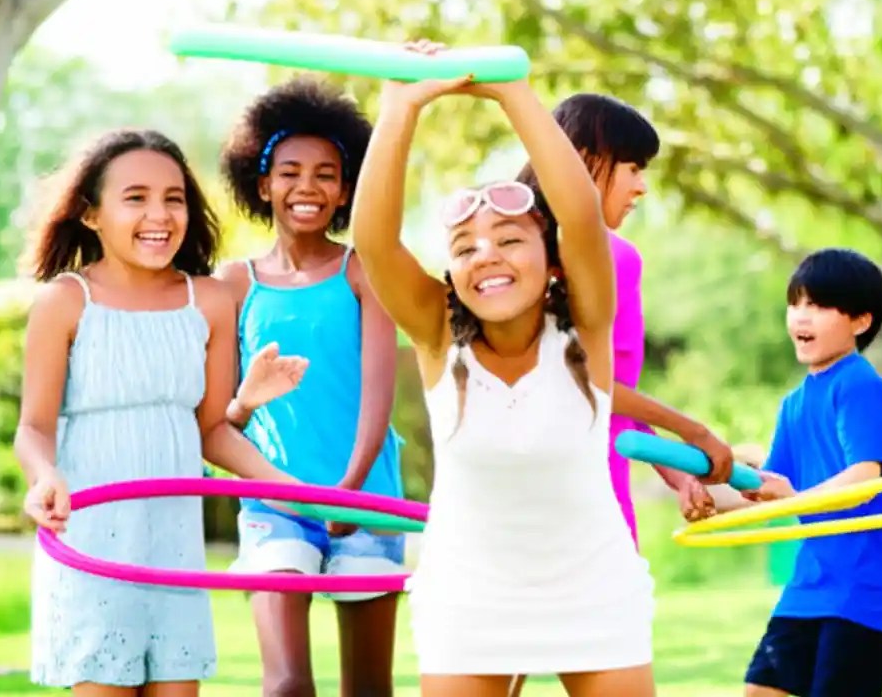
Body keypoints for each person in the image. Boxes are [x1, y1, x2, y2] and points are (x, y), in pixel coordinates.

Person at [351, 41, 655, 696]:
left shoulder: (586, 328)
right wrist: (400, 107)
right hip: (469, 595)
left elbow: (580, 214)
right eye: (465, 248)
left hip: (593, 586)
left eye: (511, 239)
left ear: (553, 263)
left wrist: (513, 93)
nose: (487, 255)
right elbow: (373, 242)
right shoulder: (438, 336)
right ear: (453, 273)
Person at [16, 128, 296, 696]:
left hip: (172, 548)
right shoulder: (65, 302)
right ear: (91, 214)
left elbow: (212, 430)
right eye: (135, 197)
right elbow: (33, 427)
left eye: (174, 198)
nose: (160, 215)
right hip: (90, 542)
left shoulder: (210, 301)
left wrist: (285, 486)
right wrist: (43, 476)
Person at [215, 76, 407, 697]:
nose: (308, 187)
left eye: (327, 174)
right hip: (274, 502)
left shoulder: (363, 271)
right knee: (287, 687)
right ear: (262, 183)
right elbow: (219, 421)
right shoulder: (234, 283)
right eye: (290, 172)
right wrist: (244, 401)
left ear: (346, 190)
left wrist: (349, 490)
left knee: (368, 689)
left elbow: (379, 395)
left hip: (366, 495)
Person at [516, 93, 733, 538]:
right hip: (585, 494)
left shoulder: (515, 251)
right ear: (585, 160)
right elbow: (589, 381)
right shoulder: (610, 258)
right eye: (632, 168)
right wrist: (694, 432)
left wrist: (675, 472)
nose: (641, 187)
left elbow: (611, 391)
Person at [729, 248, 882, 697]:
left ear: (860, 322)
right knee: (762, 690)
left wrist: (792, 499)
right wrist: (704, 497)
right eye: (795, 303)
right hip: (811, 582)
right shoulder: (794, 404)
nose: (801, 315)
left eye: (817, 305)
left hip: (864, 586)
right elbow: (767, 489)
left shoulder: (859, 386)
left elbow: (863, 479)